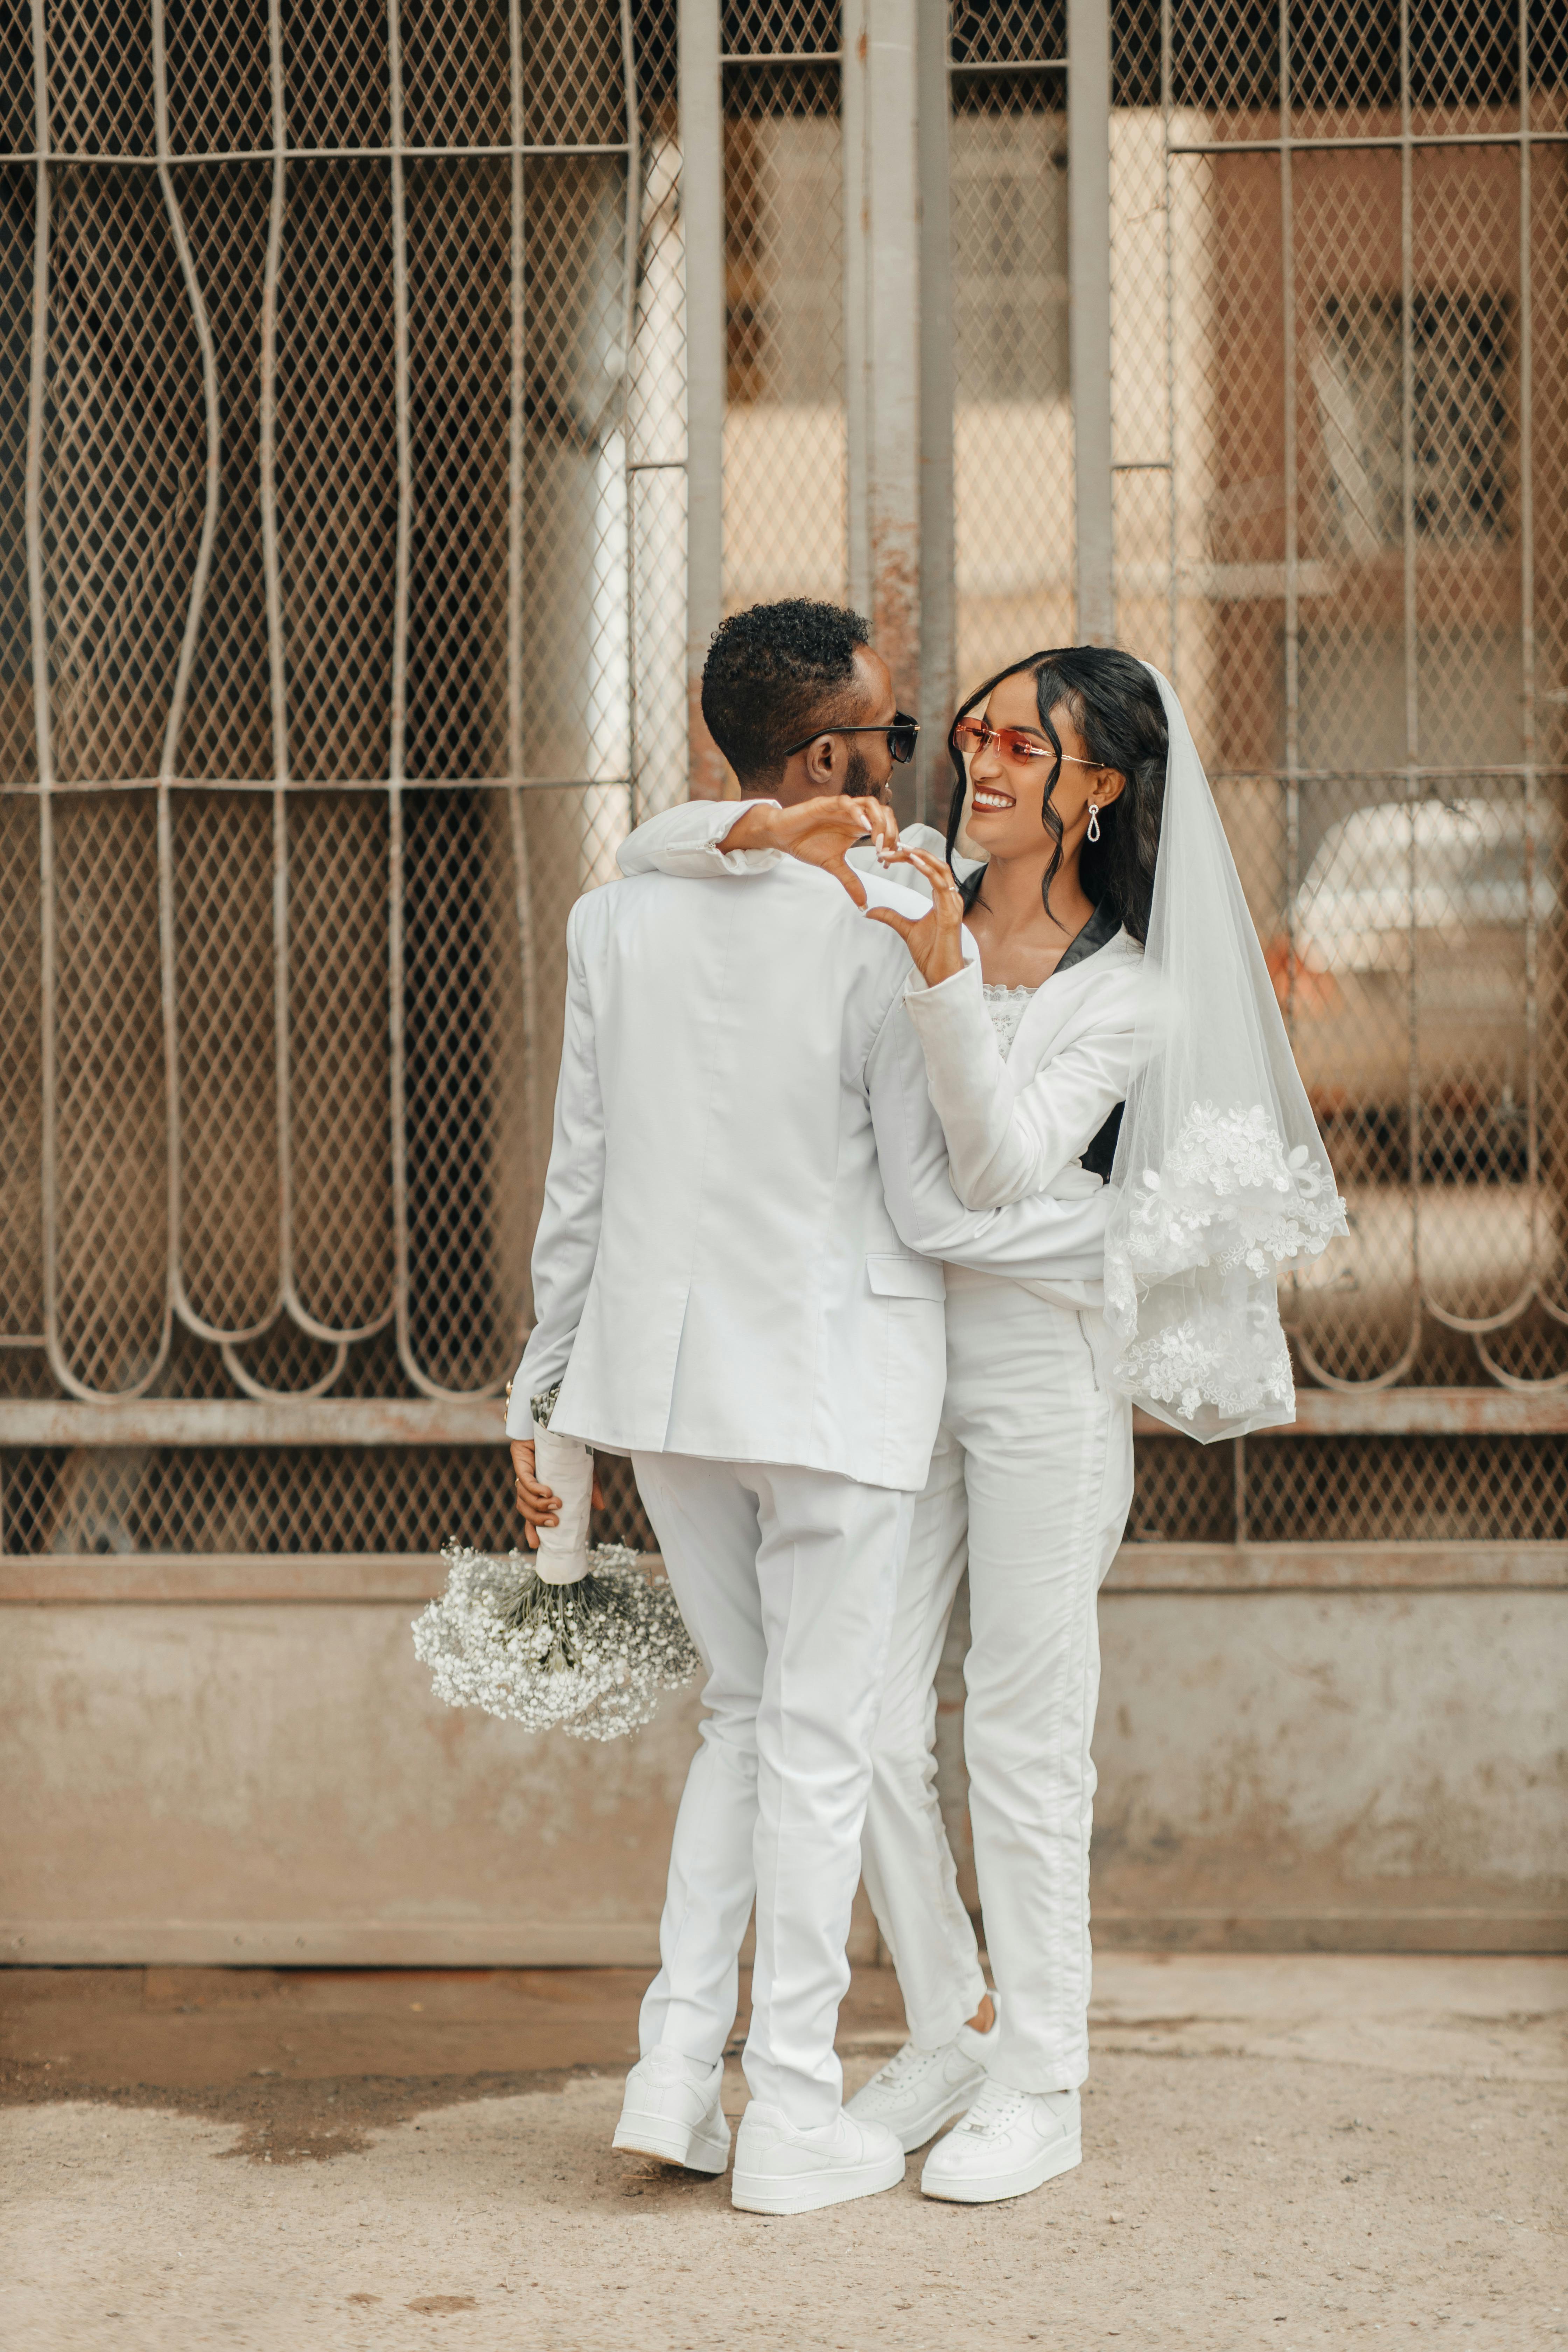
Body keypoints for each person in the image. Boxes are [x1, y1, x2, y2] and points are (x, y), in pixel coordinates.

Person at [616, 643, 1345, 2204]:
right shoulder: (904, 871)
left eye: (1024, 744)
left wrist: (944, 979)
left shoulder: (1126, 992)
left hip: (1035, 1390)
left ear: (1099, 791)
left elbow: (993, 1176)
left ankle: (1045, 2077)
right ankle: (953, 2019)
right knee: (865, 1726)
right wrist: (774, 834)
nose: (979, 763)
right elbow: (648, 851)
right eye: (971, 735)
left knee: (1022, 1736)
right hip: (888, 1370)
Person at [507, 602, 1127, 2217]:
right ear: (830, 755)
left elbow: (575, 1186)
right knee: (816, 1745)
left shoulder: (613, 918)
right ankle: (786, 2109)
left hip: (656, 1387)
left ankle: (668, 2070)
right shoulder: (890, 914)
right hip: (839, 1385)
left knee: (740, 1718)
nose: (913, 759)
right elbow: (934, 1198)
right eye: (897, 734)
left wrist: (546, 1391)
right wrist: (1095, 1235)